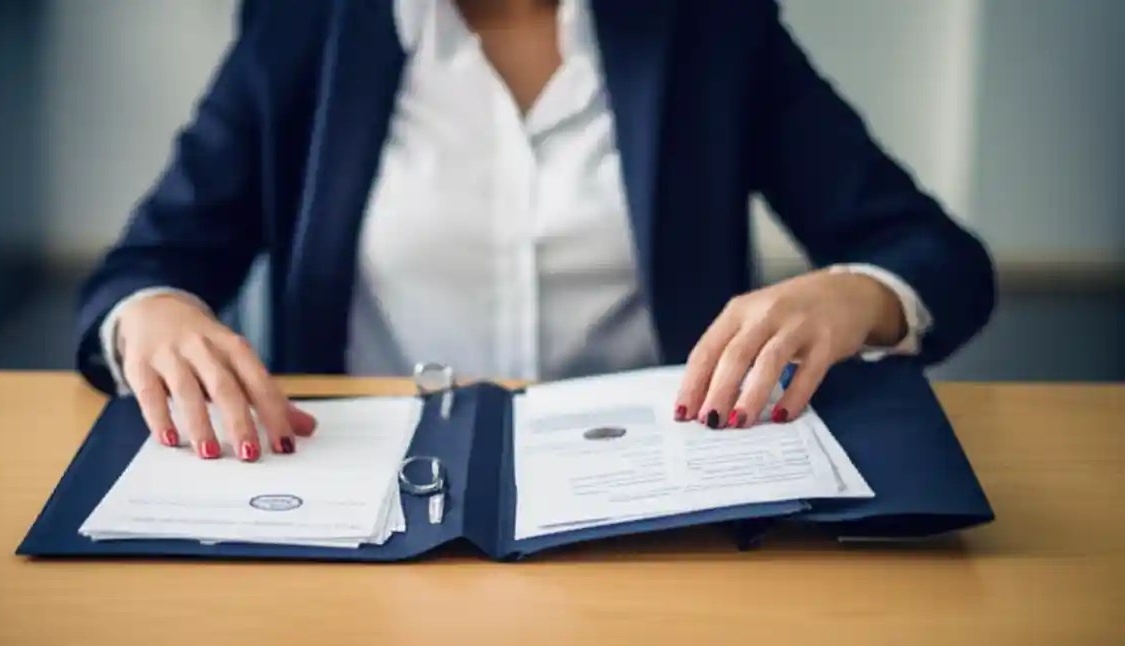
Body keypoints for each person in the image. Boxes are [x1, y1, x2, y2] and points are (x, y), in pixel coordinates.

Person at [76, 0, 995, 462]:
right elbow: (146, 265)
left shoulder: (712, 25)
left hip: (660, 496)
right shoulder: (305, 25)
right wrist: (152, 314)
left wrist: (855, 293)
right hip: (364, 491)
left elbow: (936, 256)